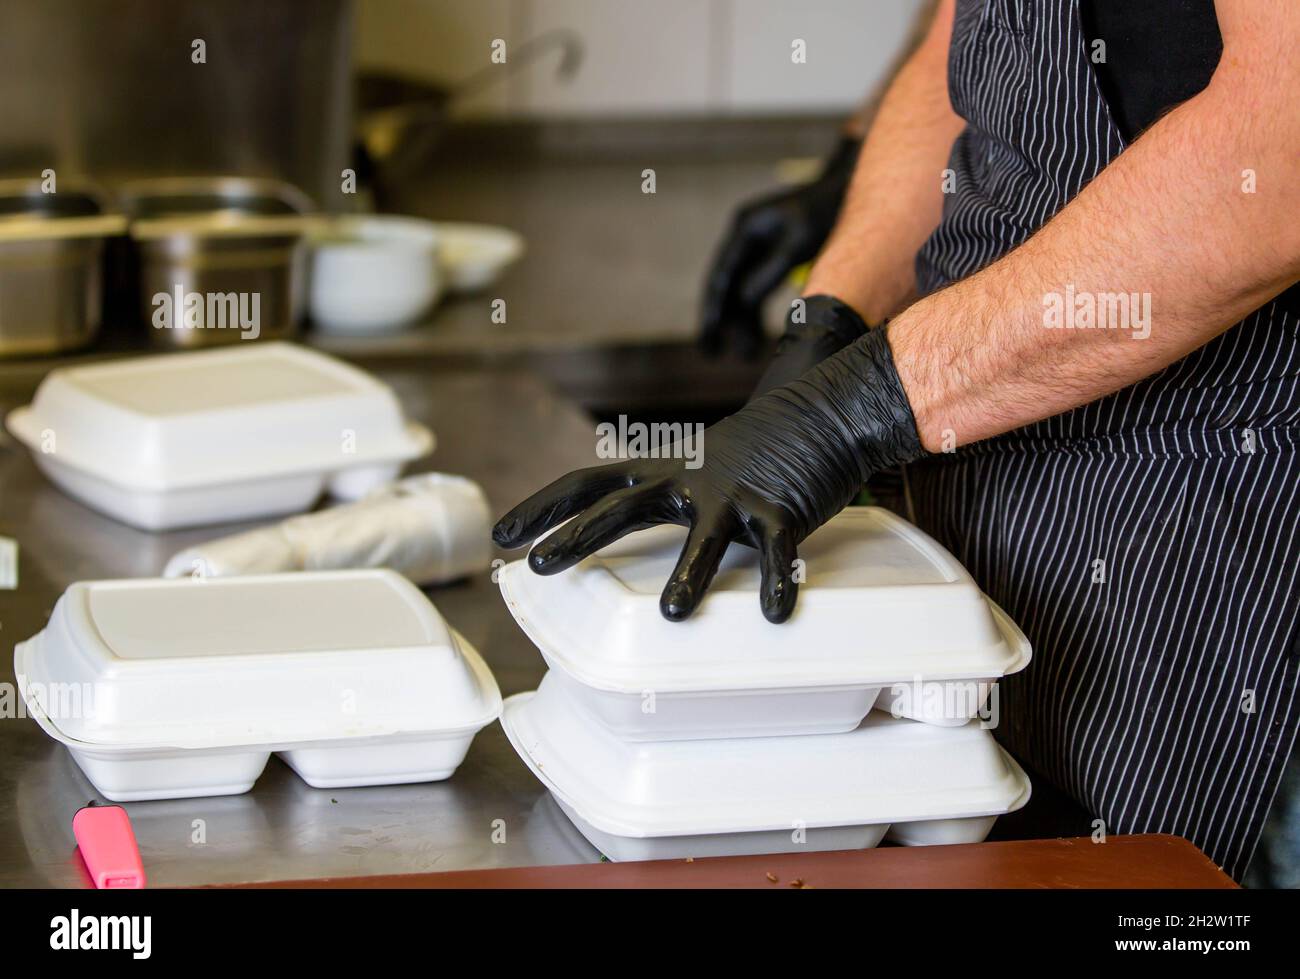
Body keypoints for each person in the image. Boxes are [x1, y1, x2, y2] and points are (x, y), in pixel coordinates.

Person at [493, 0, 1299, 882]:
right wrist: (825, 330)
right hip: (997, 500)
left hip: (1219, 540)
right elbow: (961, 48)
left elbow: (1278, 154)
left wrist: (853, 407)